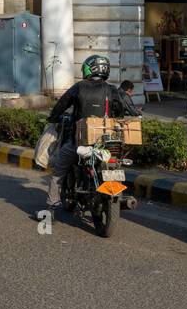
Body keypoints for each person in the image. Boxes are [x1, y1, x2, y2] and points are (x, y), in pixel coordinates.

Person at [45, 54, 132, 209]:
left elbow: (61, 104)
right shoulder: (112, 90)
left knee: (59, 169)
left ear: (88, 69)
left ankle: (51, 207)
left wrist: (53, 117)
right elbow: (119, 112)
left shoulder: (78, 87)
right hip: (106, 144)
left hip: (80, 142)